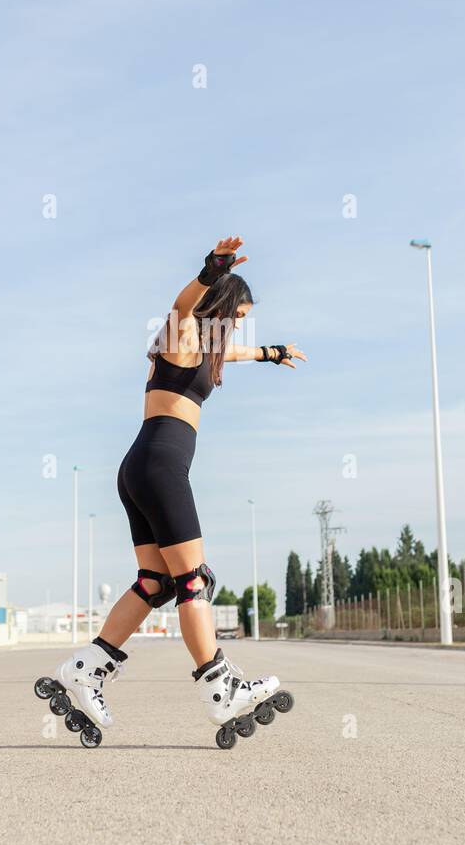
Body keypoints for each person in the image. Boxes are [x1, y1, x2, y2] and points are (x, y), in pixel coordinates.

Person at [55, 237, 306, 739]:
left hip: (144, 467)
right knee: (192, 580)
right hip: (159, 468)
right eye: (236, 315)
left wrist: (269, 353)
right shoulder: (182, 331)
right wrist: (211, 271)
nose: (236, 326)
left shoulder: (202, 349)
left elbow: (228, 352)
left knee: (157, 581)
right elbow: (180, 306)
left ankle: (87, 668)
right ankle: (219, 690)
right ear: (218, 304)